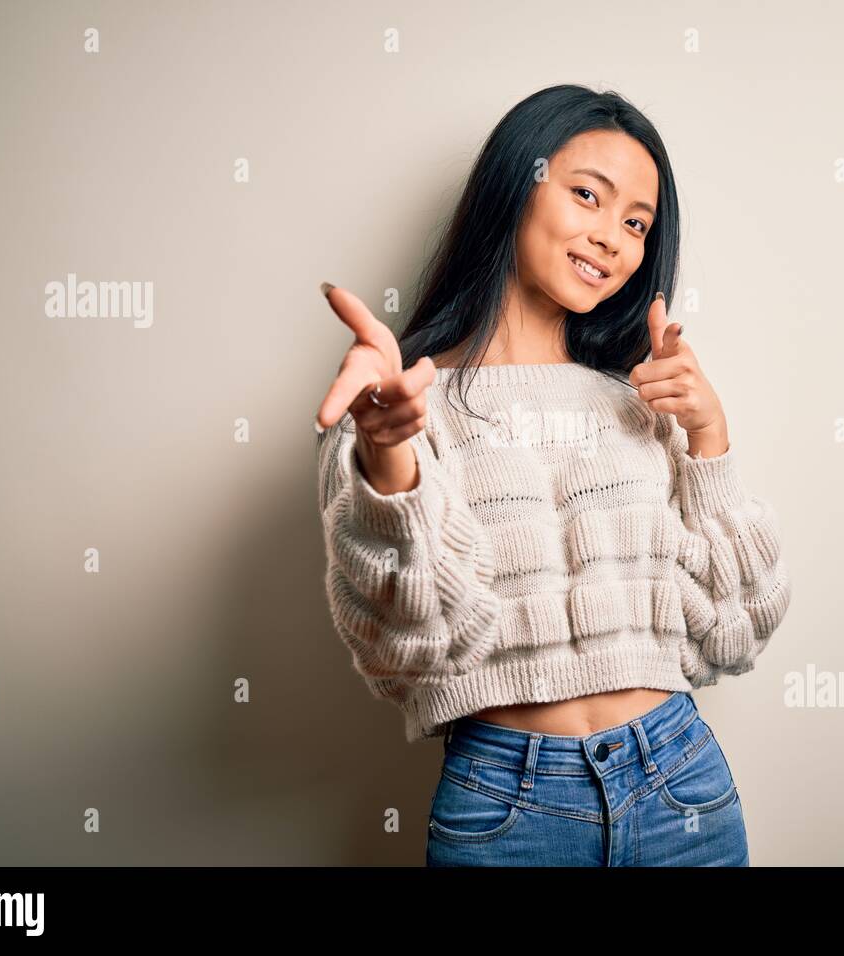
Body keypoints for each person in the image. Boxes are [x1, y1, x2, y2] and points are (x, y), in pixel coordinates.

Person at [313, 84, 792, 866]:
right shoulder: (404, 406)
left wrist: (710, 439)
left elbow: (733, 632)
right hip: (507, 811)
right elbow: (416, 647)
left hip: (682, 790)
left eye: (636, 223)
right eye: (586, 196)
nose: (612, 238)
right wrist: (389, 456)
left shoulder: (641, 407)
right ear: (512, 188)